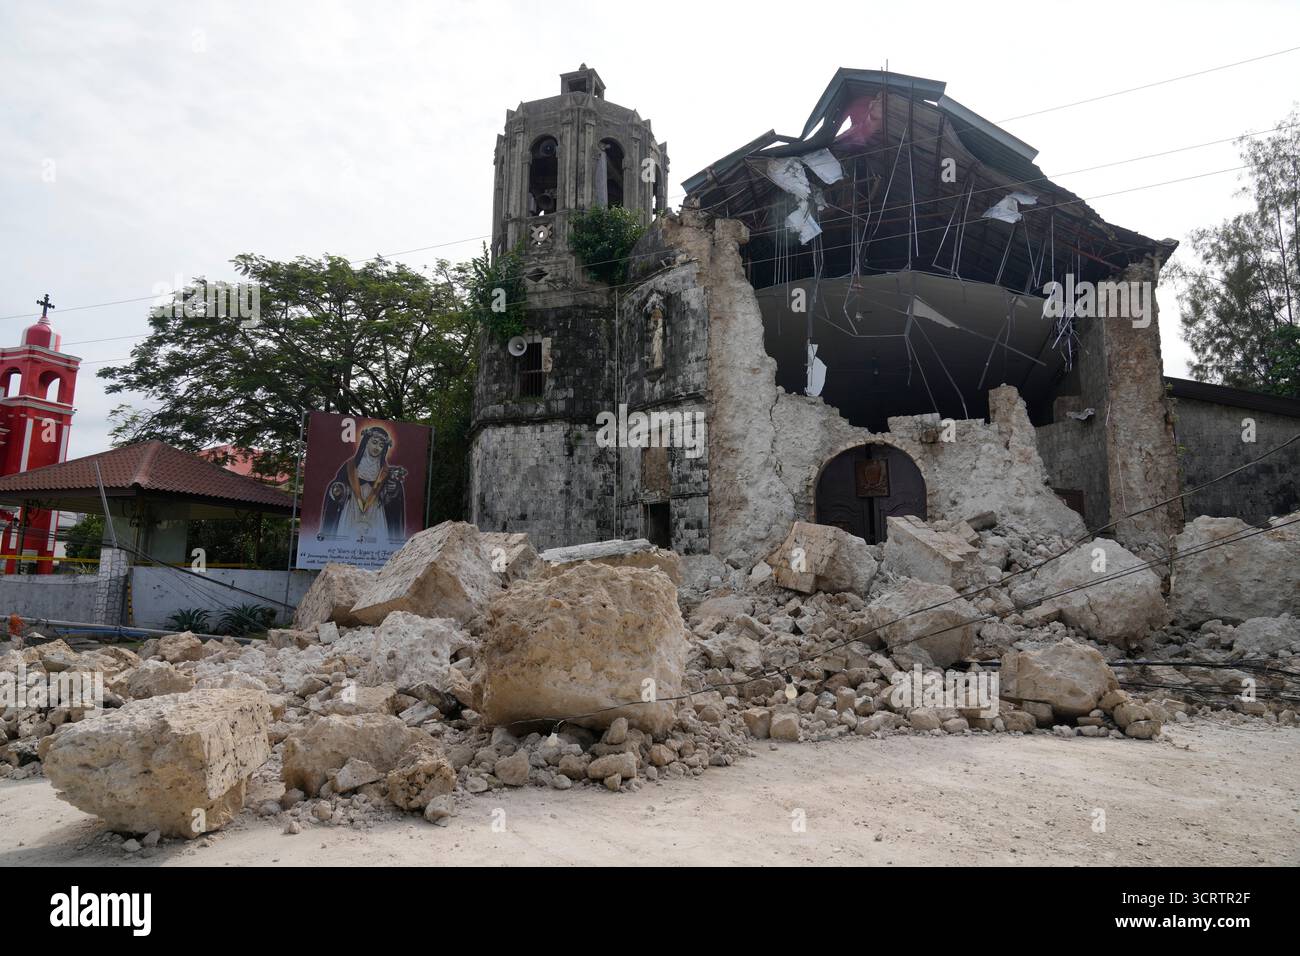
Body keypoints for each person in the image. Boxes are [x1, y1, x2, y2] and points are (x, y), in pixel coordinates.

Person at [319, 425, 408, 545]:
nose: (377, 447)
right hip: (352, 509)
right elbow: (338, 486)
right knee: (347, 541)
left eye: (381, 445)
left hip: (375, 511)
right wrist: (339, 489)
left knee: (376, 540)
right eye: (374, 442)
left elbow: (392, 500)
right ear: (366, 442)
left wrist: (392, 491)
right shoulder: (350, 466)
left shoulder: (385, 471)